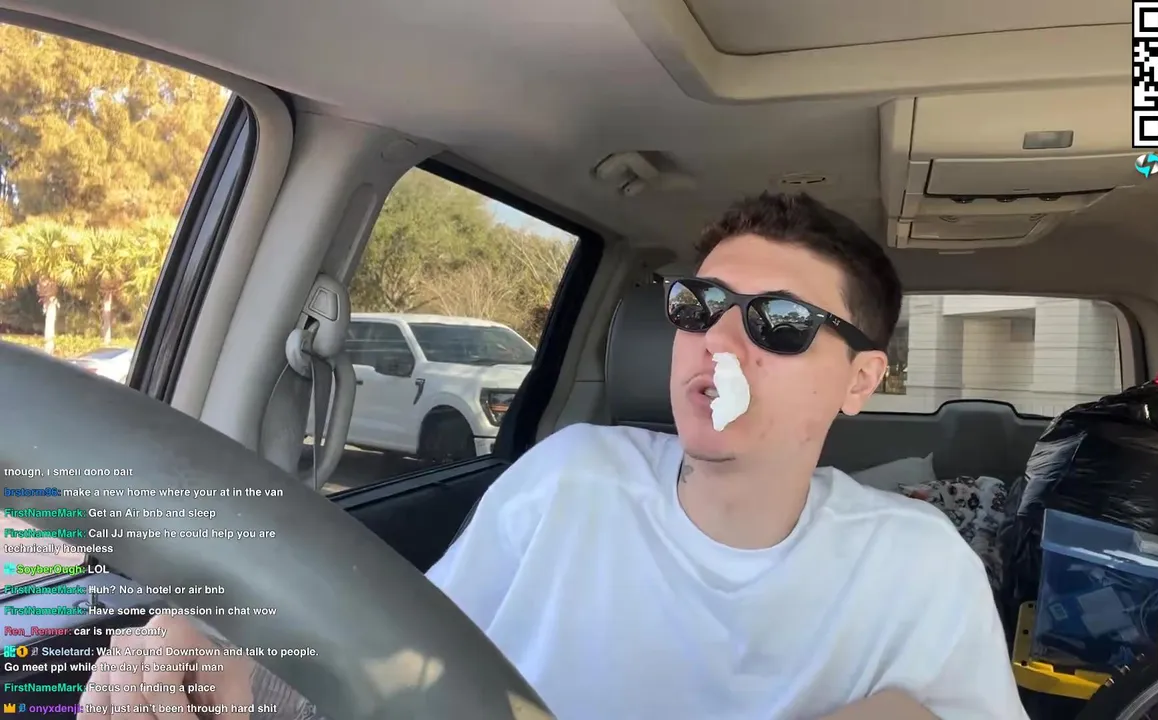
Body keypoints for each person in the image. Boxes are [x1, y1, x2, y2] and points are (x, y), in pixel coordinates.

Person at [78, 193, 1028, 719]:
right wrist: (218, 656)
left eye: (779, 322)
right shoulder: (575, 477)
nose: (719, 344)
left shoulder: (915, 565)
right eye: (698, 307)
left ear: (861, 379)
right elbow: (403, 668)